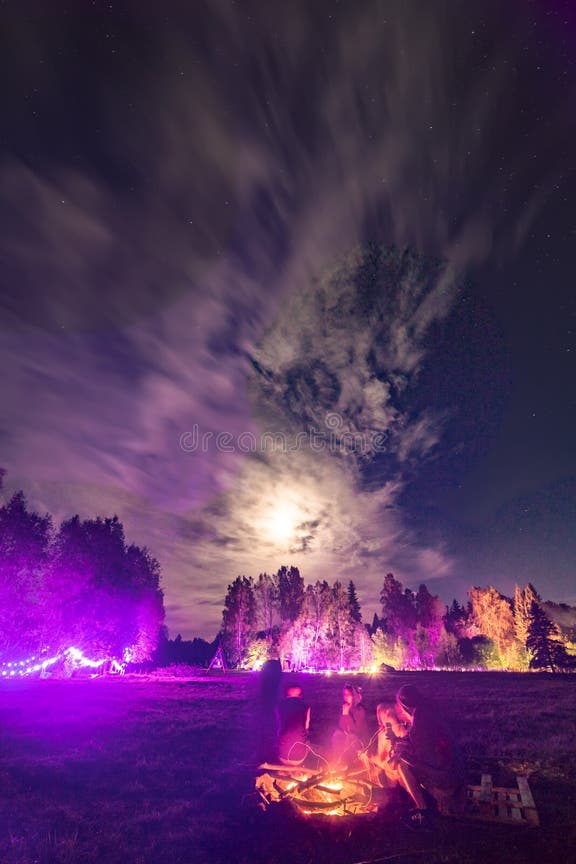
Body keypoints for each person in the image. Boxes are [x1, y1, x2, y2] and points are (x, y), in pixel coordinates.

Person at [375, 684, 466, 828]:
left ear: (404, 705)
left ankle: (424, 812)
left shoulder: (419, 722)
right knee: (402, 759)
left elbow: (424, 760)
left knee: (401, 767)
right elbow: (418, 743)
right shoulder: (426, 712)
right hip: (455, 770)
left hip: (447, 777)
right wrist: (399, 743)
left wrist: (403, 756)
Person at [331, 683, 369, 769]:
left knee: (351, 737)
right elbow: (342, 726)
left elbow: (355, 730)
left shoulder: (360, 710)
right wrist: (345, 714)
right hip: (348, 735)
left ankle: (353, 764)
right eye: (344, 694)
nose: (346, 697)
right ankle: (336, 761)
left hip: (359, 739)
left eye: (349, 695)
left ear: (354, 696)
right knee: (337, 734)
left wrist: (346, 714)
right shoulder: (346, 707)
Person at [276, 682, 311, 765]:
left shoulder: (279, 706)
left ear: (286, 695)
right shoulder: (306, 707)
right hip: (299, 759)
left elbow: (278, 727)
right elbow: (306, 728)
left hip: (281, 757)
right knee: (308, 743)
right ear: (301, 695)